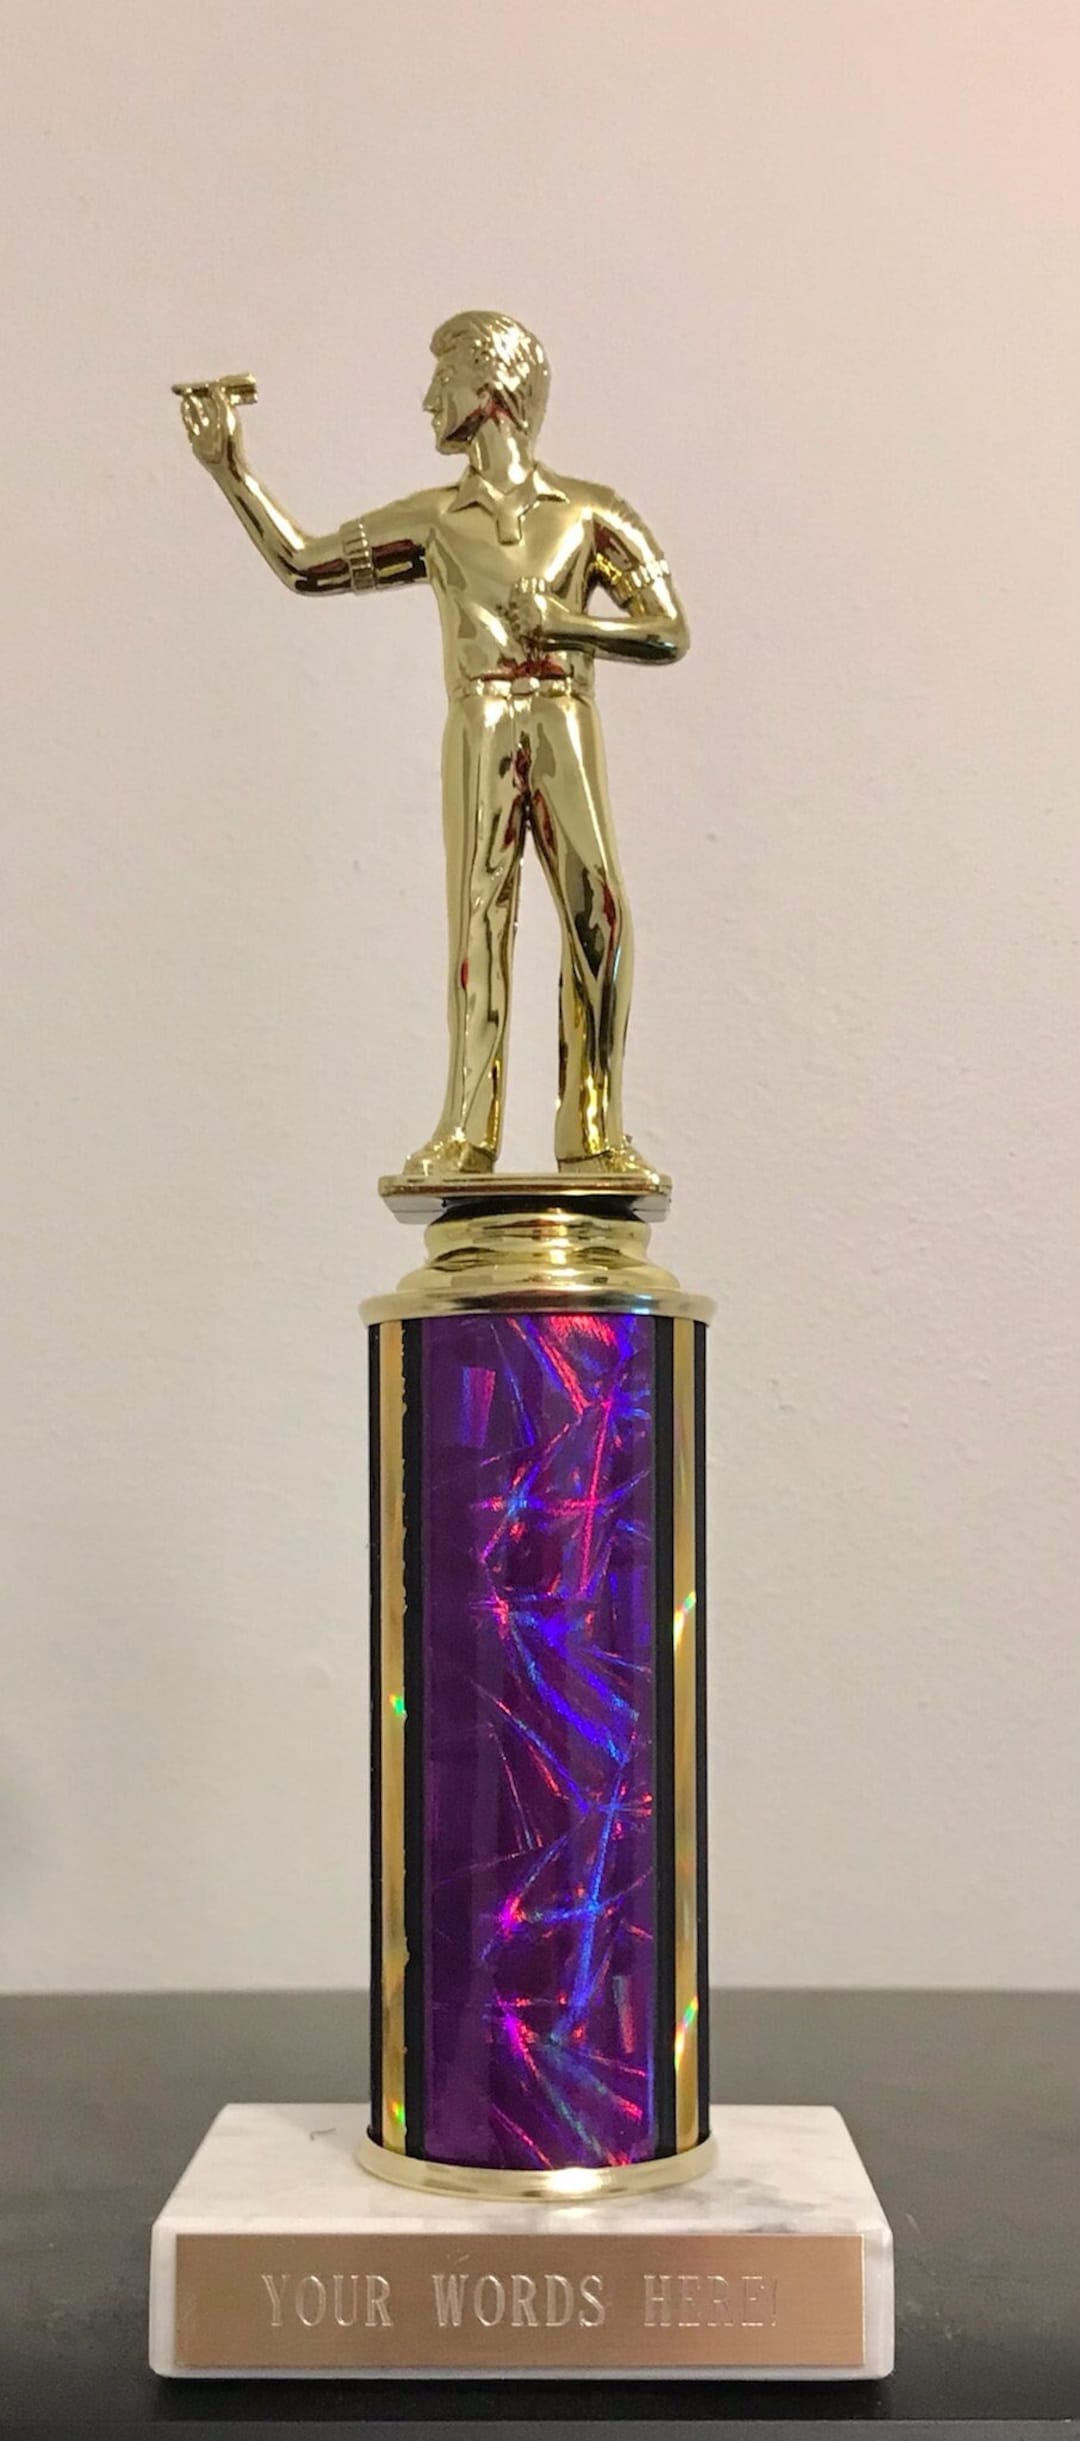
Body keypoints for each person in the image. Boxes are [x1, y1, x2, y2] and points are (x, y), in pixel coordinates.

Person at [177, 312, 689, 1183]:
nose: (427, 400)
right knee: (478, 916)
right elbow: (304, 563)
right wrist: (230, 470)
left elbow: (668, 630)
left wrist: (567, 626)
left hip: (563, 714)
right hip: (483, 720)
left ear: (490, 389)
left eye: (442, 380)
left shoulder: (591, 511)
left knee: (599, 914)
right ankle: (466, 1131)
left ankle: (594, 1128)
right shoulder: (435, 519)